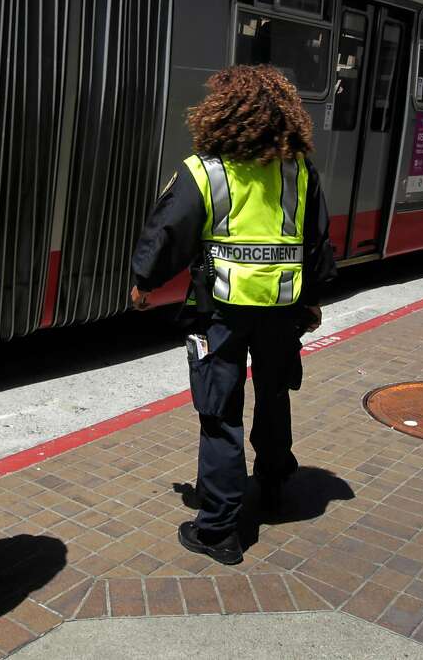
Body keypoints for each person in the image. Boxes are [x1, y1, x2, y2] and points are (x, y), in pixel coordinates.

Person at [129, 65, 336, 565]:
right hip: (282, 313)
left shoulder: (204, 170)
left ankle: (218, 529)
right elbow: (317, 242)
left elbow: (169, 233)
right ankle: (275, 481)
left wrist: (144, 281)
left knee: (219, 413)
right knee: (273, 396)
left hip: (219, 313)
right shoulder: (298, 171)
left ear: (221, 113)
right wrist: (311, 300)